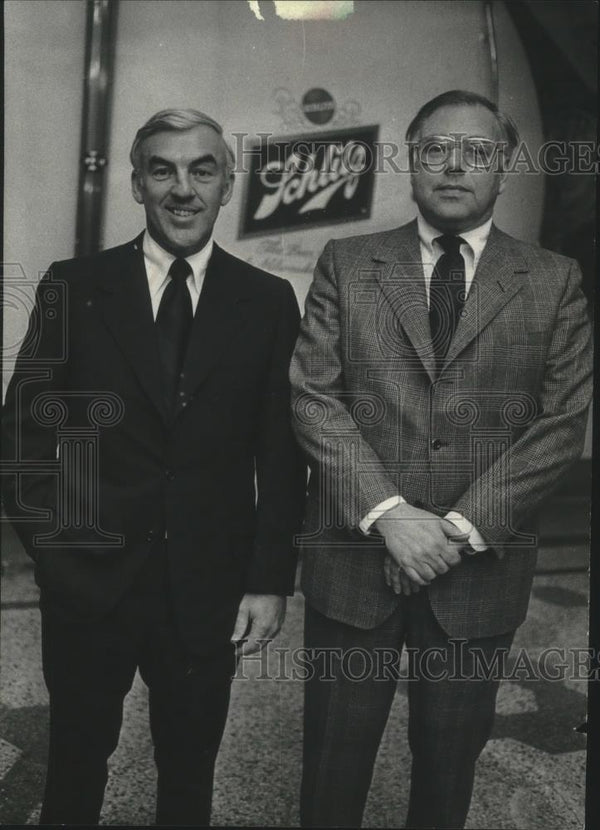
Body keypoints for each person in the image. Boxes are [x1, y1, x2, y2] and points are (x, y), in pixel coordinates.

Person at [290, 90, 592, 828]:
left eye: (478, 152)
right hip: (354, 564)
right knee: (331, 771)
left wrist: (451, 531)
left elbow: (562, 422)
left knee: (449, 772)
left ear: (504, 166)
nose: (454, 166)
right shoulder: (348, 263)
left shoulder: (554, 281)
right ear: (411, 159)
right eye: (435, 149)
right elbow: (312, 398)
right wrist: (392, 517)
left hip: (478, 574)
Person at [2, 108, 305, 825]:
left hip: (207, 590)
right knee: (73, 766)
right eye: (162, 170)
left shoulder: (266, 302)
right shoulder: (73, 286)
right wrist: (60, 554)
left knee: (189, 774)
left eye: (202, 169)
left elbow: (283, 454)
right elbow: (22, 438)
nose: (182, 188)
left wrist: (269, 581)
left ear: (227, 185)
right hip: (89, 585)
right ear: (136, 184)